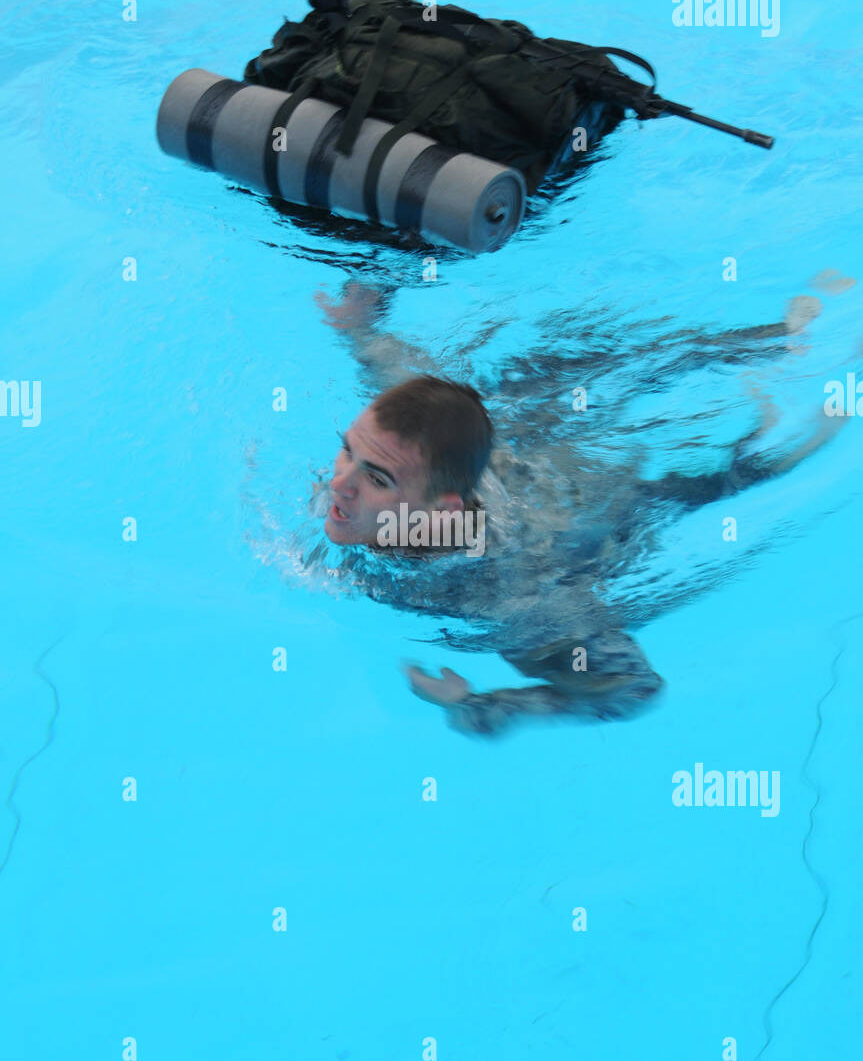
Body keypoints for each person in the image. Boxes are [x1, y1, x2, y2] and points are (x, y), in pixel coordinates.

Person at [309, 281, 840, 736]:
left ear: (440, 509)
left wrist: (483, 708)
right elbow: (402, 389)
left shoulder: (508, 599)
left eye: (375, 478)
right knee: (559, 379)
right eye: (345, 449)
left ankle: (789, 384)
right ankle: (779, 341)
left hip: (586, 526)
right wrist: (360, 331)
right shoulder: (382, 488)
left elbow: (634, 689)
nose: (338, 484)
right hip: (528, 459)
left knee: (707, 488)